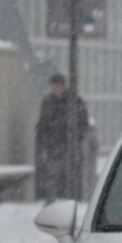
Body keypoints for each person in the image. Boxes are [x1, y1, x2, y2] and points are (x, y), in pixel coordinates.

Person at [34, 73, 90, 201]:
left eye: (58, 86)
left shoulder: (74, 102)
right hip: (52, 147)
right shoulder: (47, 103)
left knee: (69, 177)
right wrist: (45, 140)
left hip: (69, 148)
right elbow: (42, 124)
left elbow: (83, 125)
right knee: (52, 177)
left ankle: (69, 200)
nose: (56, 89)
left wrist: (74, 135)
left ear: (64, 86)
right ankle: (53, 201)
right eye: (53, 87)